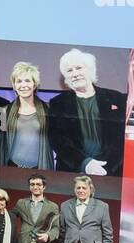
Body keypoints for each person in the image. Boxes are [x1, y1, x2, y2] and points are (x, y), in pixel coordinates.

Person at [47, 48, 126, 176]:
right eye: (69, 71)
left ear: (90, 69)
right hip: (73, 172)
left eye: (79, 68)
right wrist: (85, 163)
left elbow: (121, 138)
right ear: (66, 77)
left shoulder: (117, 98)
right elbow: (58, 140)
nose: (75, 74)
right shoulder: (58, 103)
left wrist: (106, 167)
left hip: (111, 172)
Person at [0, 61, 53, 169]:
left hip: (40, 171)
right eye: (19, 81)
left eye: (27, 81)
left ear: (34, 84)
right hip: (10, 169)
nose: (23, 85)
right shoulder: (0, 112)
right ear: (14, 85)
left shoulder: (49, 111)